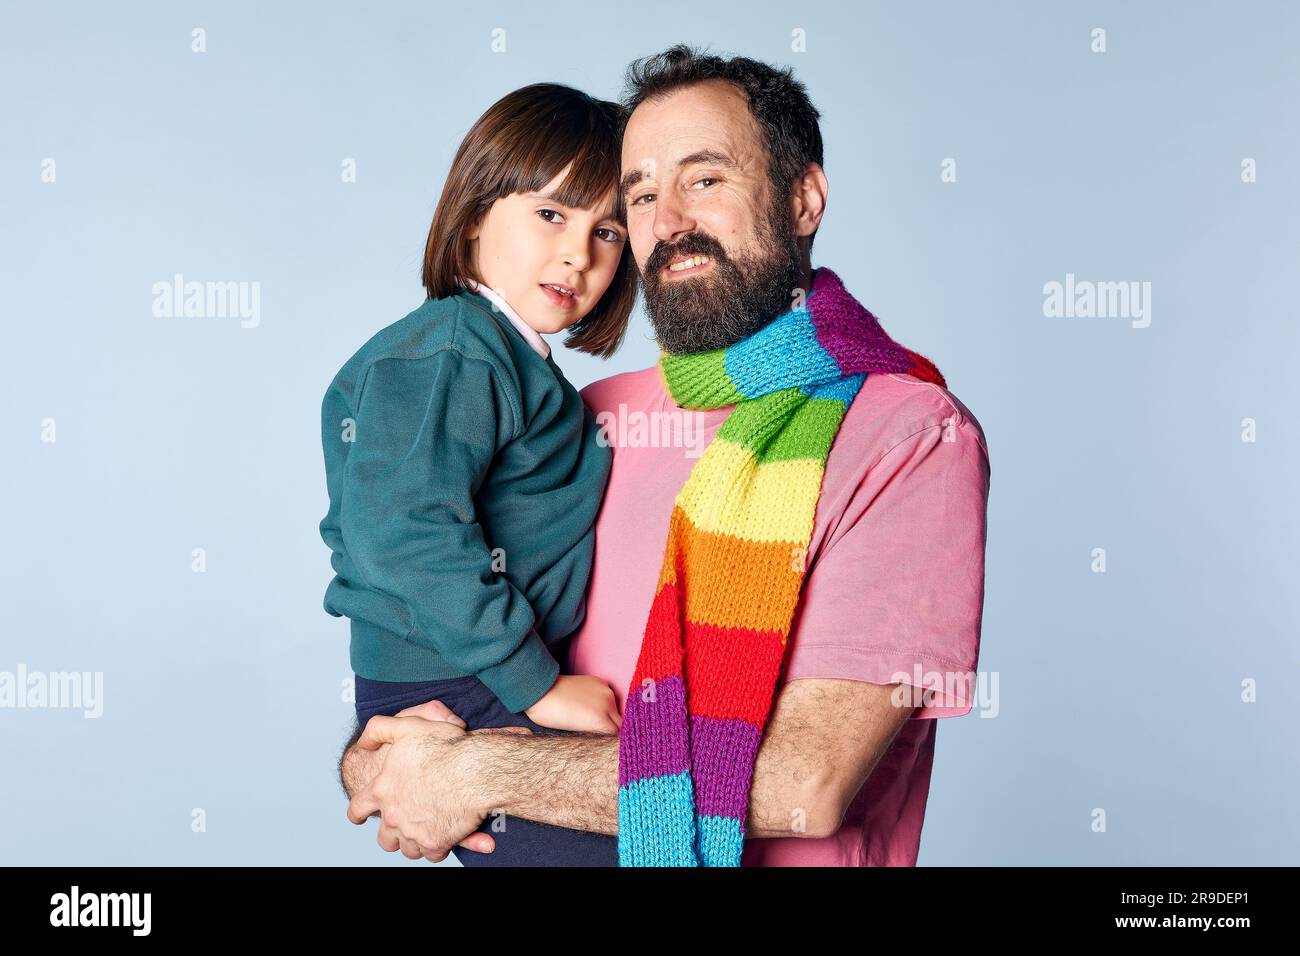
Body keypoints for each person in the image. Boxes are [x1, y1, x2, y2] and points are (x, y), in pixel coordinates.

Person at [342, 46, 991, 868]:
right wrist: (386, 763)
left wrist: (473, 770)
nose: (668, 220)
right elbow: (418, 582)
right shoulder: (594, 421)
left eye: (705, 179)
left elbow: (803, 784)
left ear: (802, 199)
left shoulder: (908, 436)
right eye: (642, 193)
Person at [320, 83, 636, 865]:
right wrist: (537, 686)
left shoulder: (518, 367)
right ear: (471, 220)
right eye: (552, 215)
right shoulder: (457, 351)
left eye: (608, 232)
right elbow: (402, 525)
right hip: (462, 680)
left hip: (476, 674)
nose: (579, 253)